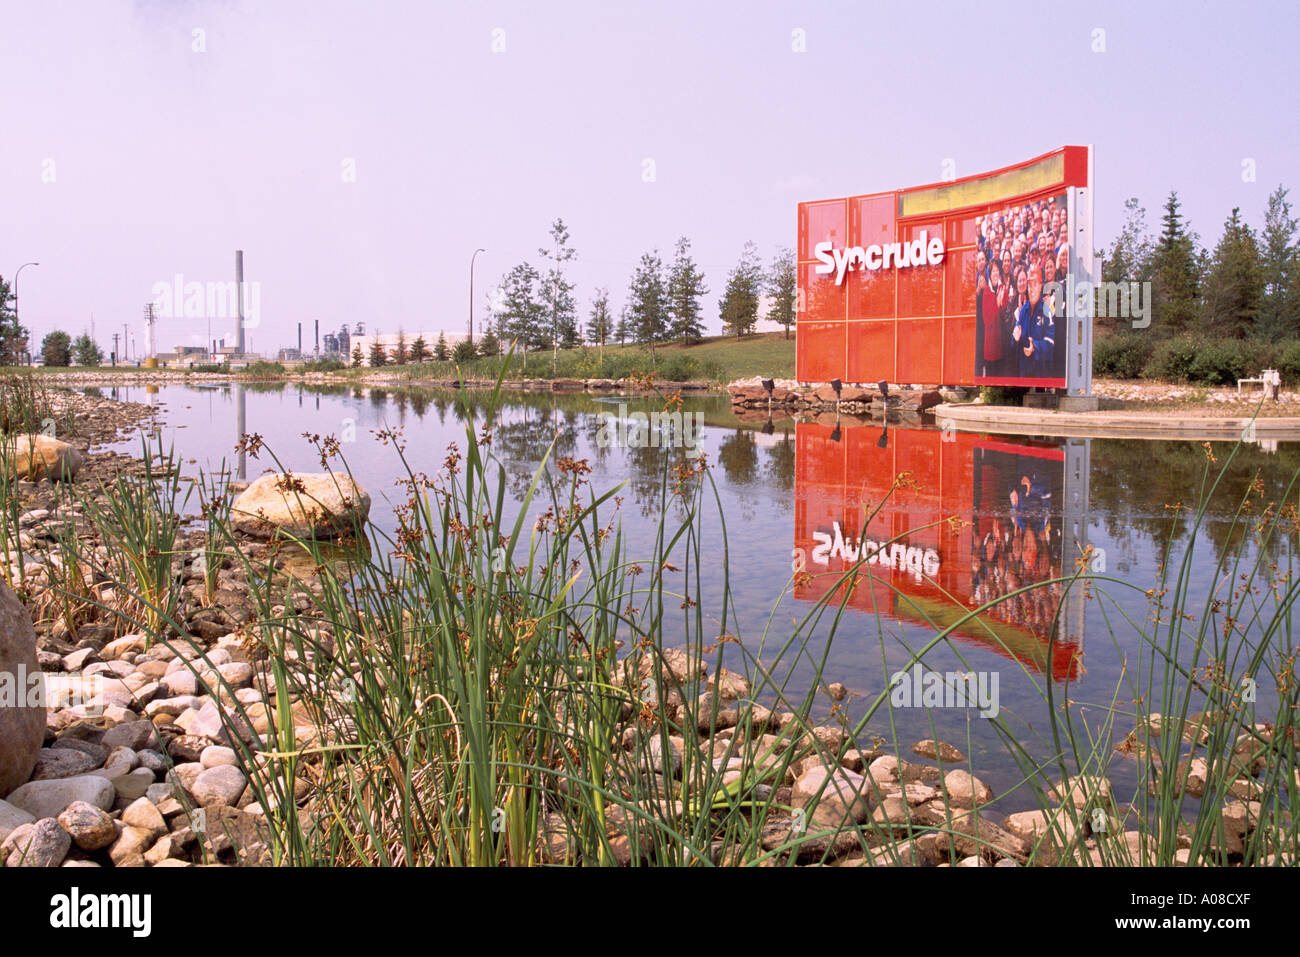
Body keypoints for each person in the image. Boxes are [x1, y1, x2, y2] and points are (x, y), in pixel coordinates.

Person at [1012, 262, 1055, 378]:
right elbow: (1015, 334)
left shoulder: (1047, 309)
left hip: (1040, 373)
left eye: (1035, 284)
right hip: (1024, 372)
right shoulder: (1023, 310)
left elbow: (1051, 342)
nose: (1031, 289)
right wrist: (1015, 338)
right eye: (1029, 284)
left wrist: (1034, 347)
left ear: (1041, 285)